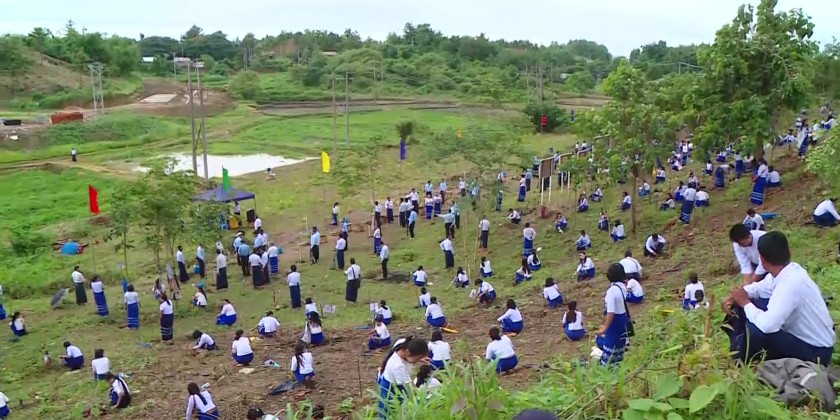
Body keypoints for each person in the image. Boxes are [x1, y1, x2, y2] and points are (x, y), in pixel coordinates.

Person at [722, 231, 835, 366]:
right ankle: (738, 348)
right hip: (808, 341)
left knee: (755, 327)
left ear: (762, 259)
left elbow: (768, 326)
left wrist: (745, 302)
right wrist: (737, 295)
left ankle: (743, 362)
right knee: (752, 307)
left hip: (816, 353)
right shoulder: (786, 272)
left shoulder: (789, 283)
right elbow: (759, 288)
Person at [376, 337, 431, 417]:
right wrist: (425, 393)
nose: (416, 361)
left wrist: (419, 359)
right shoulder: (398, 367)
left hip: (392, 380)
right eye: (417, 358)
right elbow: (410, 389)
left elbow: (410, 357)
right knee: (388, 412)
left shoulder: (403, 344)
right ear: (408, 352)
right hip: (391, 389)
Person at [596, 264, 631, 367]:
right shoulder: (622, 287)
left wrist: (604, 328)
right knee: (619, 347)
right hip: (622, 319)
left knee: (610, 346)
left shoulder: (612, 291)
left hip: (615, 321)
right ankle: (617, 367)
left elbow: (610, 313)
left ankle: (606, 368)